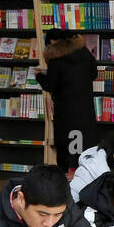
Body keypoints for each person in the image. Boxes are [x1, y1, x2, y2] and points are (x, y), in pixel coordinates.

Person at [34, 28, 98, 171]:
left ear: (53, 42)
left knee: (66, 148)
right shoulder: (85, 52)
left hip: (66, 113)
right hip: (85, 110)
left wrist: (38, 75)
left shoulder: (56, 58)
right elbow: (93, 74)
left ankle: (65, 178)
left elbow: (50, 85)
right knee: (84, 148)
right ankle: (83, 176)